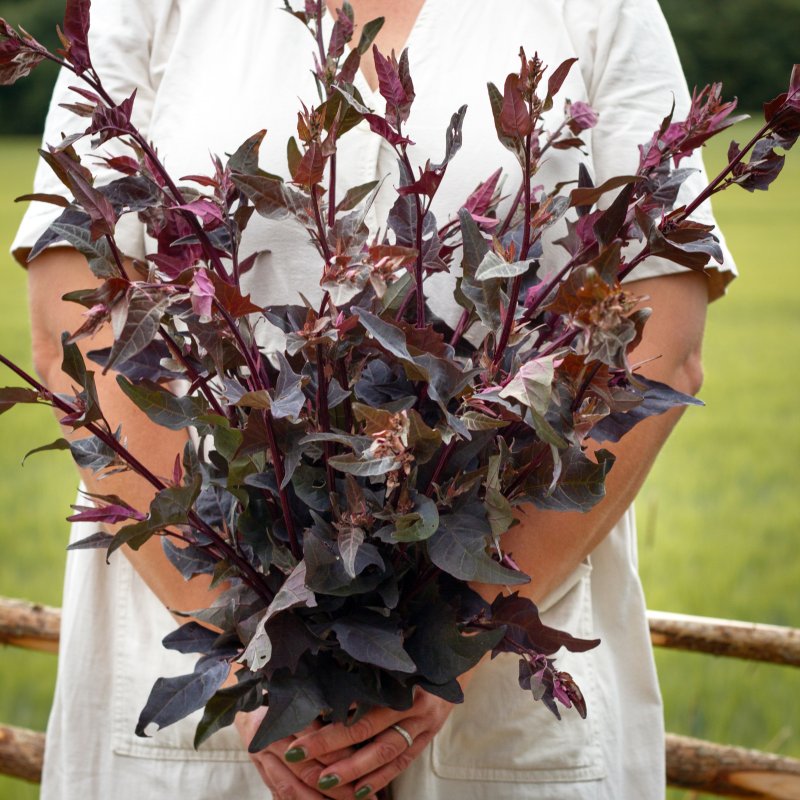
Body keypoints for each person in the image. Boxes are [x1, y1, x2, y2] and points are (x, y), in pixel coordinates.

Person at [11, 0, 736, 797]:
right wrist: (249, 649)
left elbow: (659, 340)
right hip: (200, 628)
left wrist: (454, 638)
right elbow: (71, 331)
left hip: (499, 657)